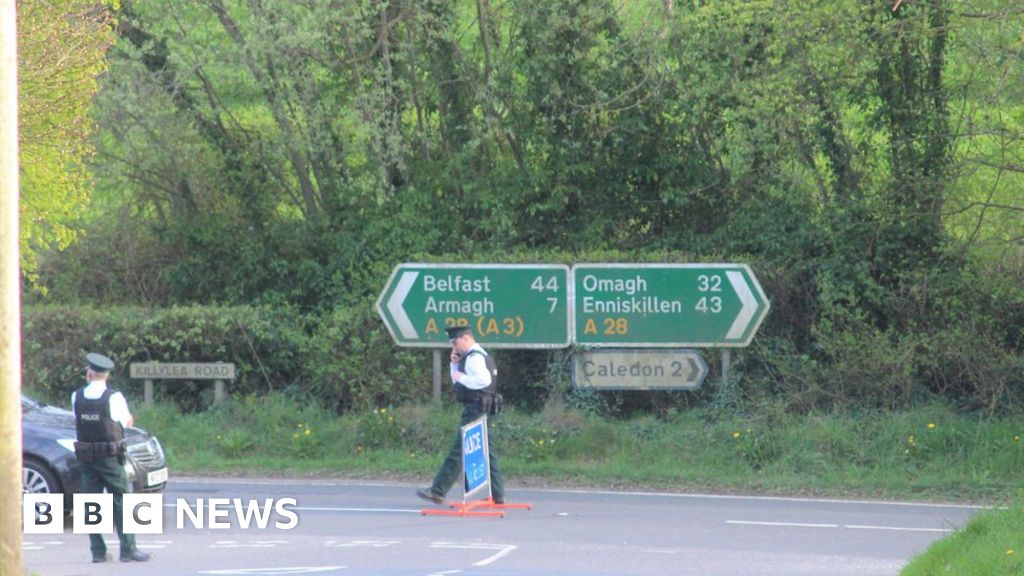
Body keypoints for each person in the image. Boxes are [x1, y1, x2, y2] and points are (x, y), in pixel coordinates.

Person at [70, 353, 152, 563]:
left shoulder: (76, 396)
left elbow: (77, 419)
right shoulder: (114, 398)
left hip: (86, 457)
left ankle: (98, 552)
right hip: (110, 458)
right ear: (106, 375)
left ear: (89, 373)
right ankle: (128, 550)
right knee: (121, 500)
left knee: (92, 503)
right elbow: (126, 422)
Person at [417, 326, 506, 505]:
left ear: (465, 338)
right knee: (488, 452)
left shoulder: (474, 358)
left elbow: (483, 380)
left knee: (460, 450)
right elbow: (457, 382)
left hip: (475, 408)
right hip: (484, 408)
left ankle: (438, 490)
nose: (454, 347)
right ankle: (498, 495)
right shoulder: (480, 355)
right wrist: (454, 365)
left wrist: (460, 376)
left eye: (455, 342)